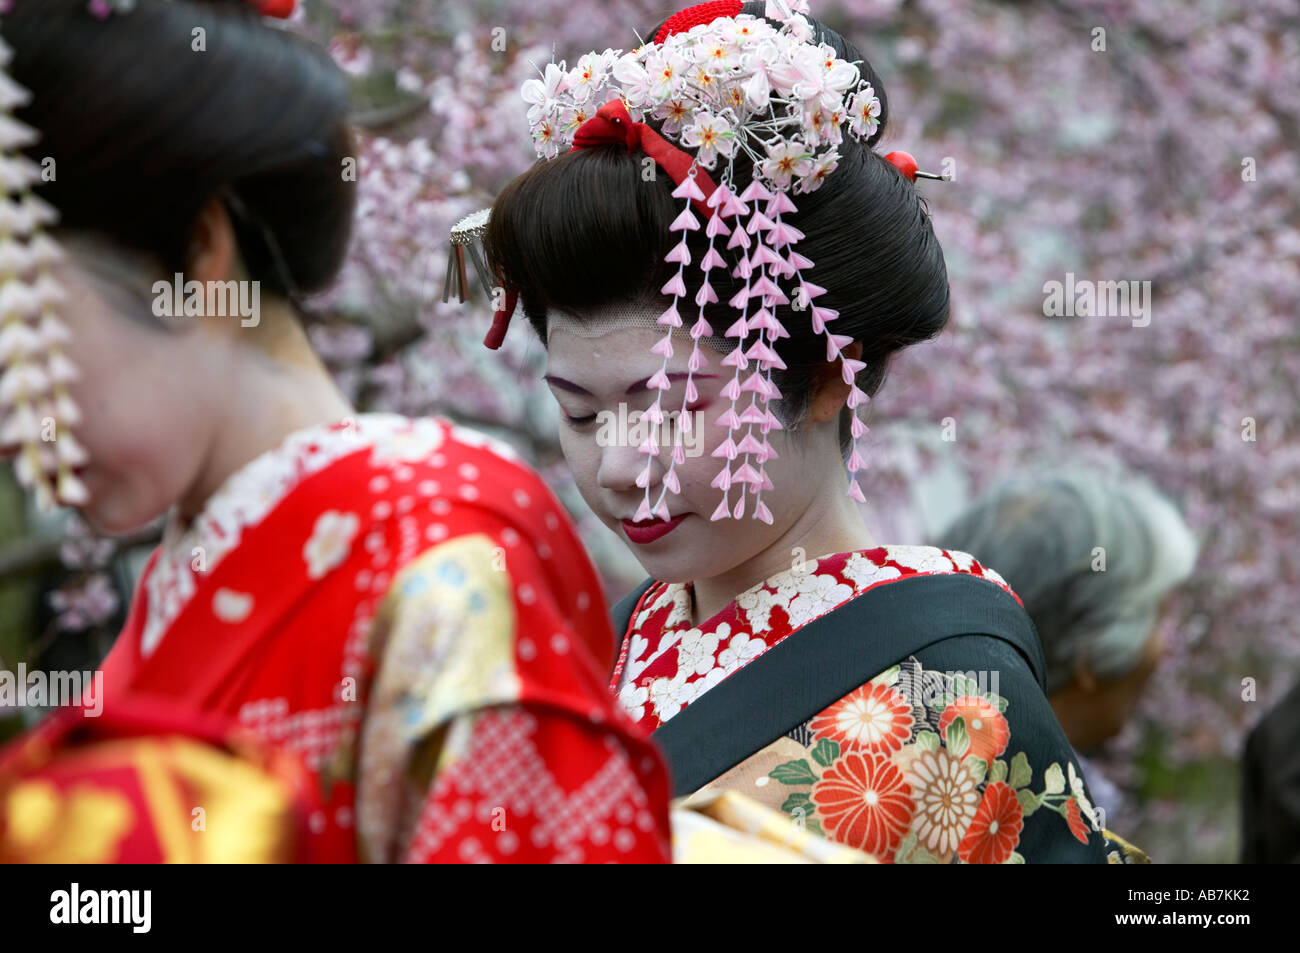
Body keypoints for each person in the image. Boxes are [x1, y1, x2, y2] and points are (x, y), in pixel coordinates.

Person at [0, 0, 671, 863]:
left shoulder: (447, 555)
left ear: (198, 252)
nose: (13, 427)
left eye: (17, 331)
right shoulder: (179, 582)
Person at [475, 0, 1143, 862]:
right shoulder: (607, 649)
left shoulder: (956, 688)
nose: (619, 466)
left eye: (675, 409)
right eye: (581, 412)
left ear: (830, 373)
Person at [933, 469, 1198, 847]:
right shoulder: (1047, 833)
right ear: (1090, 650)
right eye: (1157, 615)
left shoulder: (901, 785)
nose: (1163, 647)